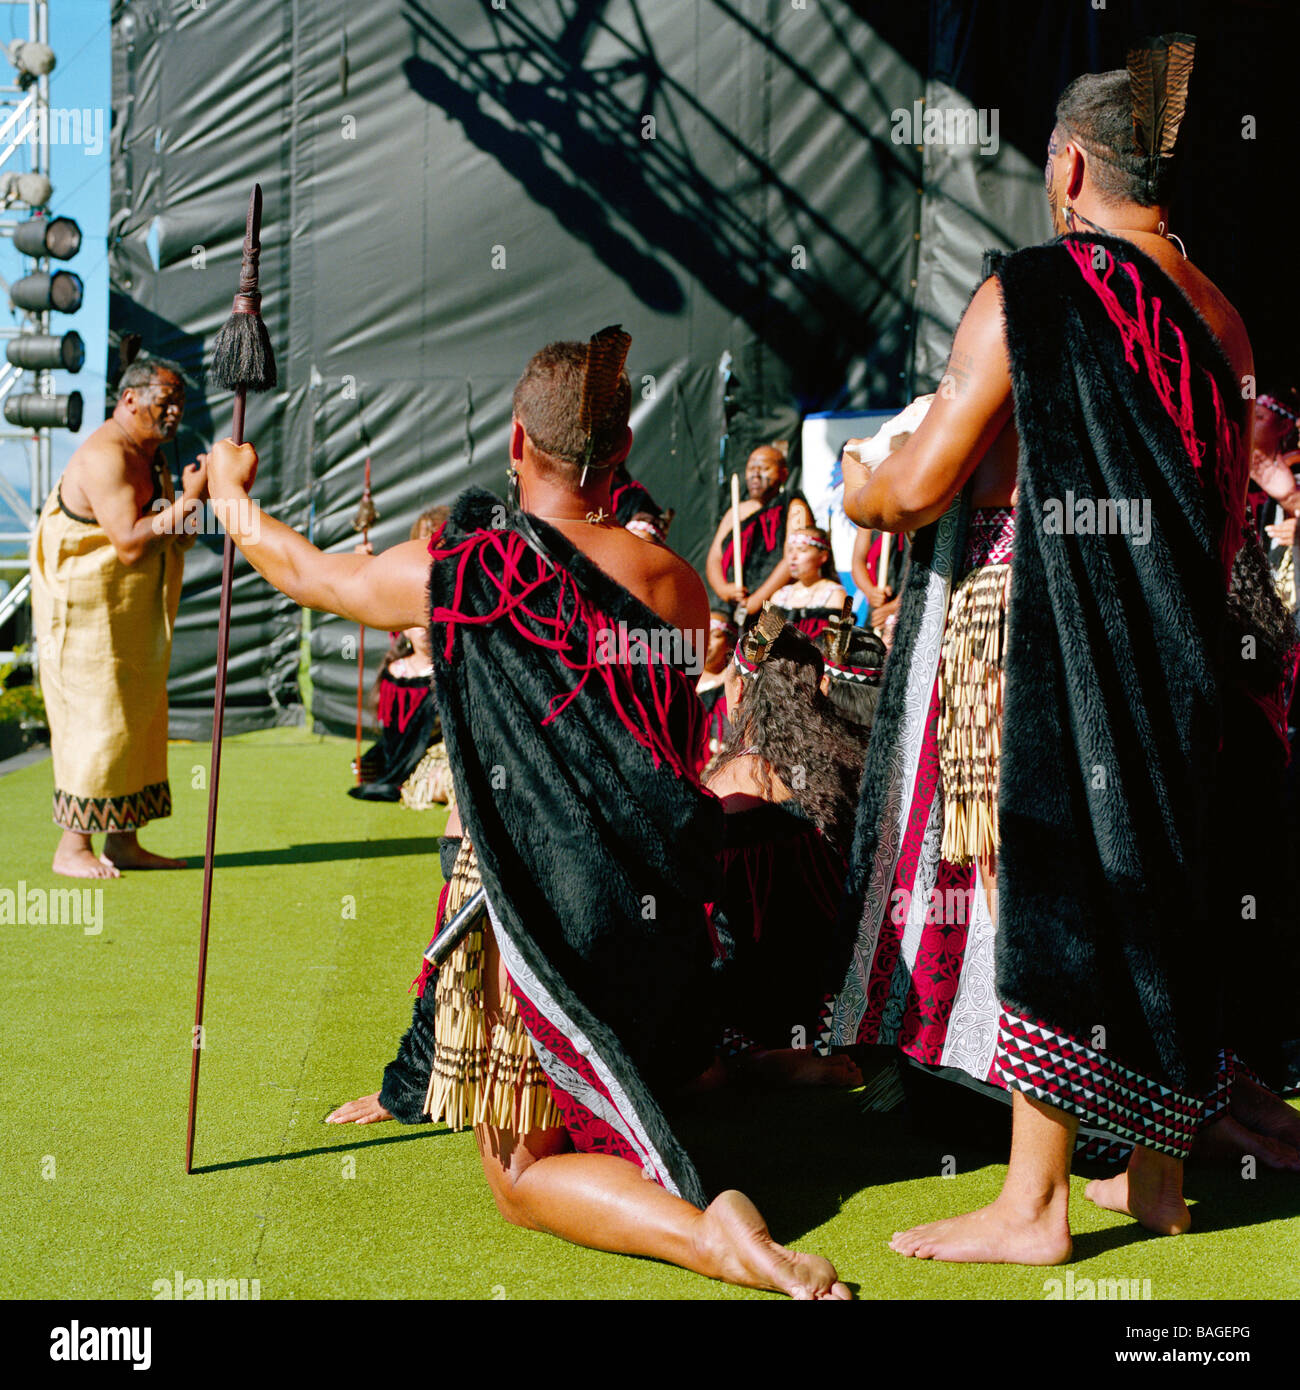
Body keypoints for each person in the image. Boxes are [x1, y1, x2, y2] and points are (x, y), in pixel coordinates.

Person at [208, 333, 848, 1299]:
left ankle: (710, 1237)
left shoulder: (464, 570)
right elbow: (655, 740)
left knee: (519, 1178)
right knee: (656, 1049)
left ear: (517, 442)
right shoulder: (673, 583)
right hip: (656, 908)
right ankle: (719, 1068)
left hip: (535, 909)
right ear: (622, 449)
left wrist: (229, 497)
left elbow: (312, 575)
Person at [832, 41, 1300, 1264]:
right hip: (1180, 642)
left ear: (1072, 165)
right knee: (1156, 884)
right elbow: (1221, 513)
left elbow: (920, 485)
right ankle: (1153, 1174)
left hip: (1034, 630)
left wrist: (860, 485)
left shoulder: (1030, 294)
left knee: (1049, 883)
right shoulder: (1221, 315)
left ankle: (1032, 1199)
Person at [31, 356, 203, 878]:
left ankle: (124, 842)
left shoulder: (153, 457)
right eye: (164, 401)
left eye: (179, 402)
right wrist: (191, 499)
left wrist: (194, 500)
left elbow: (176, 536)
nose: (174, 412)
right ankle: (72, 848)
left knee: (137, 720)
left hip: (130, 615)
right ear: (129, 399)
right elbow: (130, 543)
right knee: (96, 723)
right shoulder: (105, 455)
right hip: (83, 619)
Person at [704, 608, 866, 1088]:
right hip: (841, 1008)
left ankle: (758, 1061)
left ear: (738, 693)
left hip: (750, 1011)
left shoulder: (721, 790)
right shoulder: (846, 774)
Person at [704, 443, 804, 618]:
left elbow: (792, 557)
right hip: (732, 603)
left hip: (776, 604)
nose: (755, 475)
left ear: (783, 474)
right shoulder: (735, 512)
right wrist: (723, 589)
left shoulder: (794, 507)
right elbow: (714, 559)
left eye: (764, 468)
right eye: (751, 469)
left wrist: (758, 599)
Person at [767, 527, 847, 642]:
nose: (793, 557)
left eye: (802, 550)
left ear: (823, 556)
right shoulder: (780, 596)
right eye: (790, 550)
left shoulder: (834, 595)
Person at [694, 609, 737, 776]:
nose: (705, 641)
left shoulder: (737, 686)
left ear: (730, 644)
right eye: (700, 633)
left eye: (715, 635)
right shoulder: (678, 682)